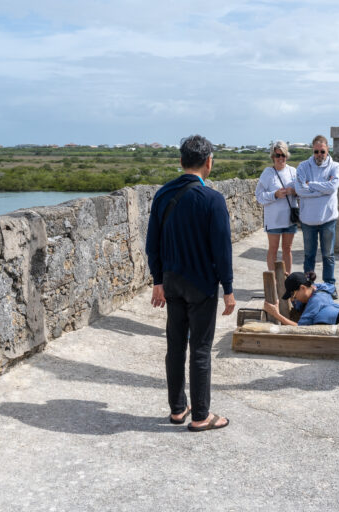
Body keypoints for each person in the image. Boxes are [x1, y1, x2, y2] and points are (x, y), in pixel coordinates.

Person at [145, 134, 235, 431]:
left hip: (172, 282)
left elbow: (152, 243)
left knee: (175, 346)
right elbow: (222, 249)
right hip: (201, 285)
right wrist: (228, 289)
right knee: (200, 348)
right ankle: (201, 416)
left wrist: (158, 280)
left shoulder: (163, 195)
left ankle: (177, 409)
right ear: (209, 162)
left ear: (181, 161)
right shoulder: (213, 199)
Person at [295, 135, 339, 299]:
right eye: (316, 151)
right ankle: (308, 287)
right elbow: (300, 190)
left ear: (327, 150)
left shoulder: (335, 167)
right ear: (312, 151)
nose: (319, 155)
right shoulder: (303, 167)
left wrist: (311, 185)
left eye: (322, 151)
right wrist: (323, 190)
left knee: (328, 255)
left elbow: (333, 187)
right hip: (308, 220)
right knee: (309, 256)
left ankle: (329, 286)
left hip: (328, 219)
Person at [254, 140, 297, 274]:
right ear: (273, 157)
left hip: (290, 218)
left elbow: (302, 192)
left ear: (287, 156)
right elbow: (259, 196)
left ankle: (287, 280)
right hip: (273, 219)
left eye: (283, 155)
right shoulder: (267, 173)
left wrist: (293, 191)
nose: (280, 158)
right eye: (277, 155)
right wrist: (275, 194)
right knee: (273, 249)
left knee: (287, 249)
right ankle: (272, 280)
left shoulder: (293, 171)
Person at [263, 271, 339, 326]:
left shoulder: (315, 301)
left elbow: (300, 328)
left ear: (303, 288)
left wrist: (276, 314)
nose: (293, 299)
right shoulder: (315, 288)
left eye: (293, 295)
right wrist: (292, 279)